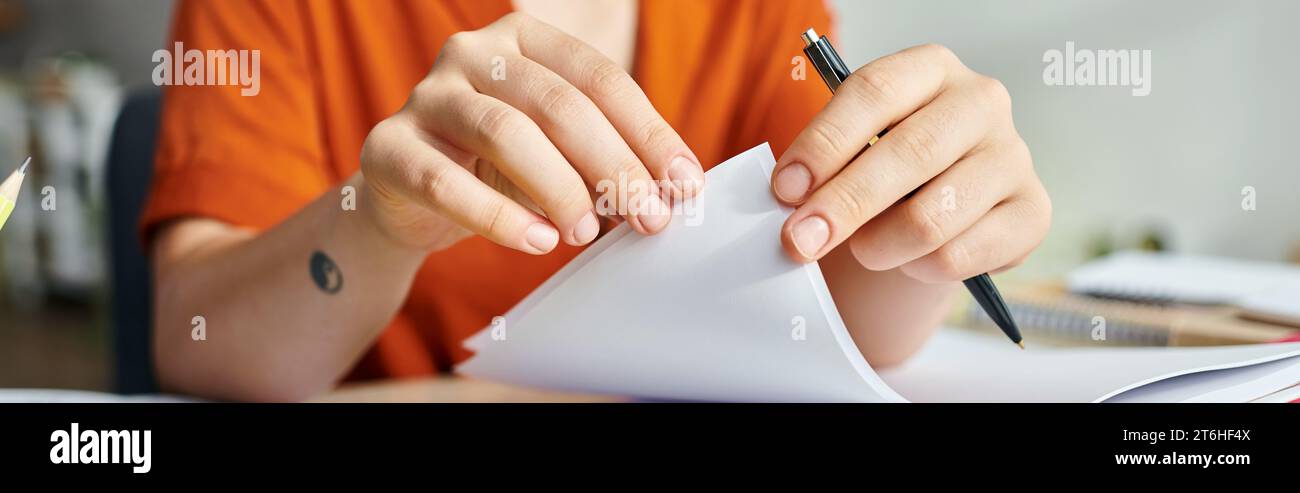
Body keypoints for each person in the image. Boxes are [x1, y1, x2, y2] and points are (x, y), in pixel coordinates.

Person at [144, 0, 1051, 401]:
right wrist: (379, 223)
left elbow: (840, 315)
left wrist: (932, 224)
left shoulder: (755, 14)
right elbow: (200, 339)